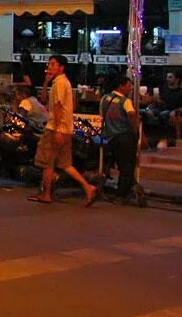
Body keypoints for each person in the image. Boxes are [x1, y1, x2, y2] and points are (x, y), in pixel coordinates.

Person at [30, 55, 97, 206]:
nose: (50, 66)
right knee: (65, 164)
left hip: (56, 128)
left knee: (48, 163)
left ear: (61, 67)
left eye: (53, 64)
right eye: (49, 64)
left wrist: (58, 130)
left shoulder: (60, 83)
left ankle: (46, 194)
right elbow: (44, 101)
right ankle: (88, 187)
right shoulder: (58, 83)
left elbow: (59, 107)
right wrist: (46, 82)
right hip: (64, 129)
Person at [99, 75, 141, 202]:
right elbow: (132, 116)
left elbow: (102, 116)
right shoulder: (125, 101)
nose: (130, 88)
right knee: (127, 167)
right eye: (128, 85)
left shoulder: (105, 99)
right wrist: (136, 131)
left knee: (120, 164)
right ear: (121, 86)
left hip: (110, 138)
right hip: (124, 137)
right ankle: (121, 195)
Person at [142, 72, 182, 149]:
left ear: (177, 80)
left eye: (170, 77)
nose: (168, 79)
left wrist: (176, 111)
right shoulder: (163, 90)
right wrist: (151, 106)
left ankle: (164, 137)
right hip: (160, 109)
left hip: (172, 111)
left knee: (163, 115)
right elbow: (156, 103)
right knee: (145, 112)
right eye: (167, 77)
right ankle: (149, 138)